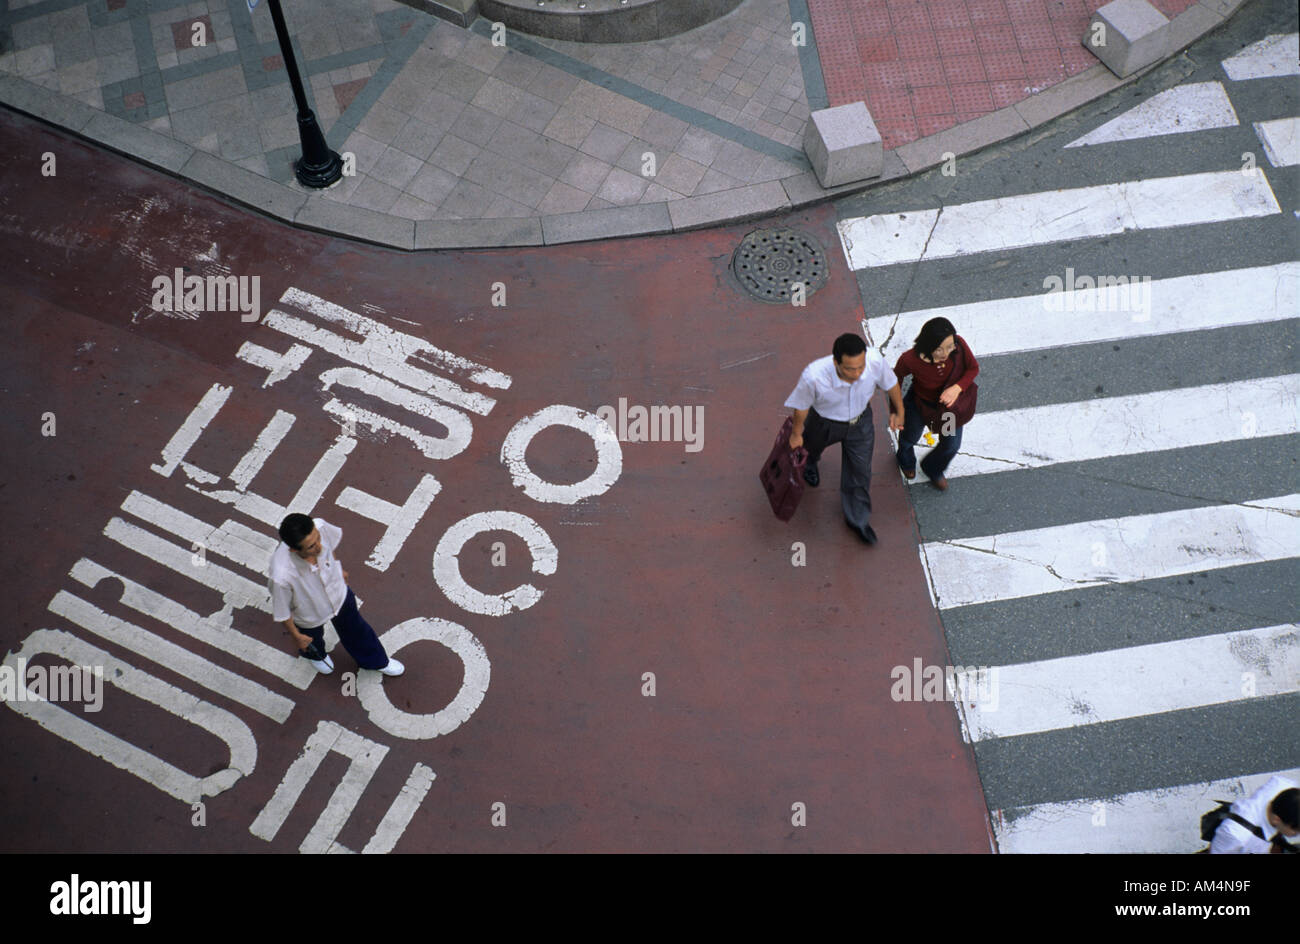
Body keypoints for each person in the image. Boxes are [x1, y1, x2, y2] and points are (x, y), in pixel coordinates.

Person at [785, 333, 904, 544]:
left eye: (860, 367)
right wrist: (796, 434)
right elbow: (802, 407)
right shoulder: (813, 376)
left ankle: (857, 519)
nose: (857, 373)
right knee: (809, 449)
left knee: (860, 471)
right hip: (823, 422)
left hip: (860, 423)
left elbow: (891, 384)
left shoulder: (874, 361)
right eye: (850, 368)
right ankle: (810, 464)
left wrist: (898, 411)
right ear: (835, 362)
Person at [268, 513, 404, 677]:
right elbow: (283, 611)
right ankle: (315, 655)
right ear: (294, 549)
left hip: (337, 591)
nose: (318, 547)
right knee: (311, 639)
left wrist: (337, 569)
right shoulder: (281, 575)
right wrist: (296, 636)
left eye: (318, 538)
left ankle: (375, 661)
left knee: (356, 628)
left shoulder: (318, 526)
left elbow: (328, 547)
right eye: (311, 546)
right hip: (308, 612)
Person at [893, 317, 979, 491]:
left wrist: (957, 388)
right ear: (927, 345)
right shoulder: (910, 359)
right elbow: (896, 379)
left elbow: (973, 368)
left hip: (947, 411)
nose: (946, 353)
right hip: (919, 405)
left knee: (950, 444)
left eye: (950, 346)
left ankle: (932, 468)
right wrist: (896, 410)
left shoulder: (959, 345)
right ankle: (906, 459)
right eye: (939, 349)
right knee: (910, 437)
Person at [1209, 775, 1300, 853]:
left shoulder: (1284, 785)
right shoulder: (1236, 835)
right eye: (1296, 830)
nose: (1298, 834)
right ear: (1276, 819)